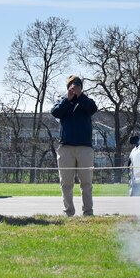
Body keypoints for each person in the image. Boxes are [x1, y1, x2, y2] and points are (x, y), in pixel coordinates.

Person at [50, 74, 99, 217]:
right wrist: (68, 99)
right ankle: (68, 212)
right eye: (71, 86)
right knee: (66, 183)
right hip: (66, 148)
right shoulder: (63, 102)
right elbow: (55, 112)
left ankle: (88, 212)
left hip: (85, 147)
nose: (74, 88)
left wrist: (80, 96)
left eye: (77, 86)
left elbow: (92, 109)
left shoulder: (86, 101)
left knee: (86, 183)